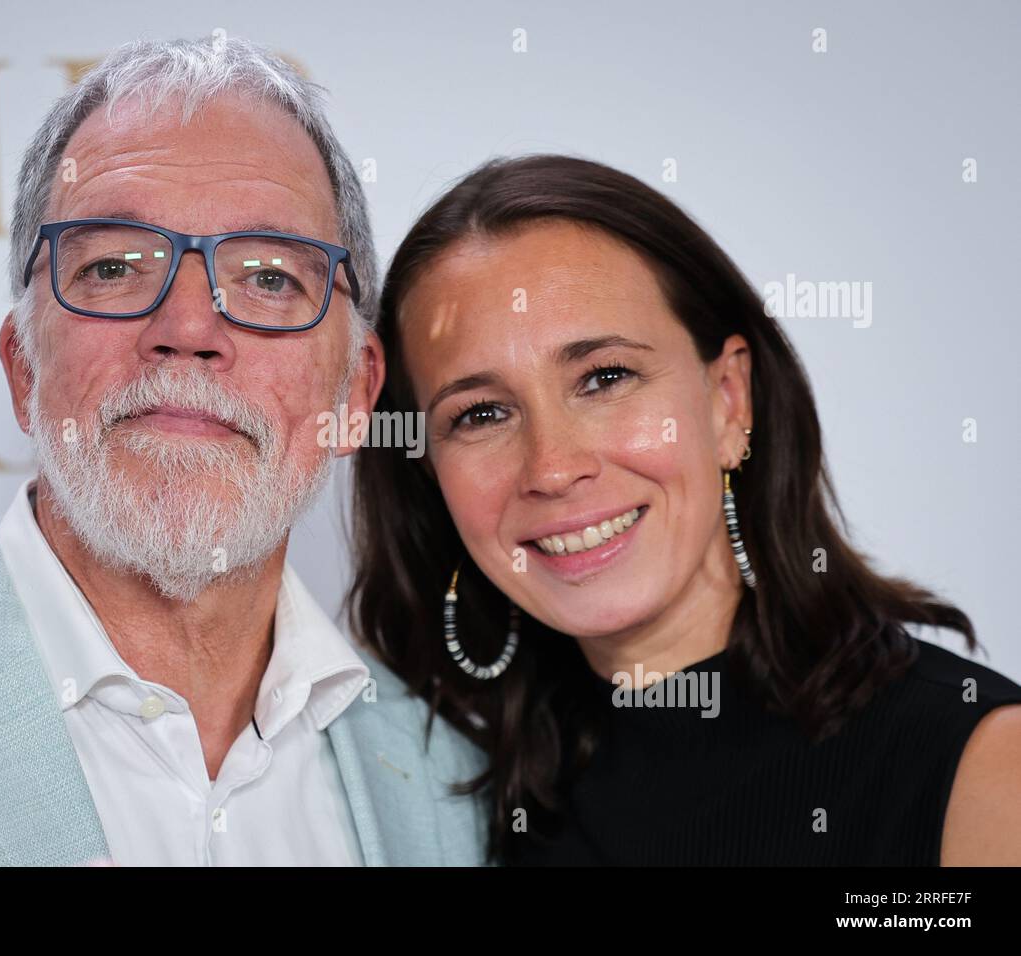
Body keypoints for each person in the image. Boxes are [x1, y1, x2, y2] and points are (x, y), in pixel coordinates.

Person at [0, 36, 487, 867]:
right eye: (114, 267)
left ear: (354, 396)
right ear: (24, 371)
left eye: (270, 278)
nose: (189, 330)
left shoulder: (443, 773)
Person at [350, 153, 1021, 865]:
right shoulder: (454, 813)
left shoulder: (979, 768)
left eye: (605, 378)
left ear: (728, 401)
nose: (551, 467)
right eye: (481, 414)